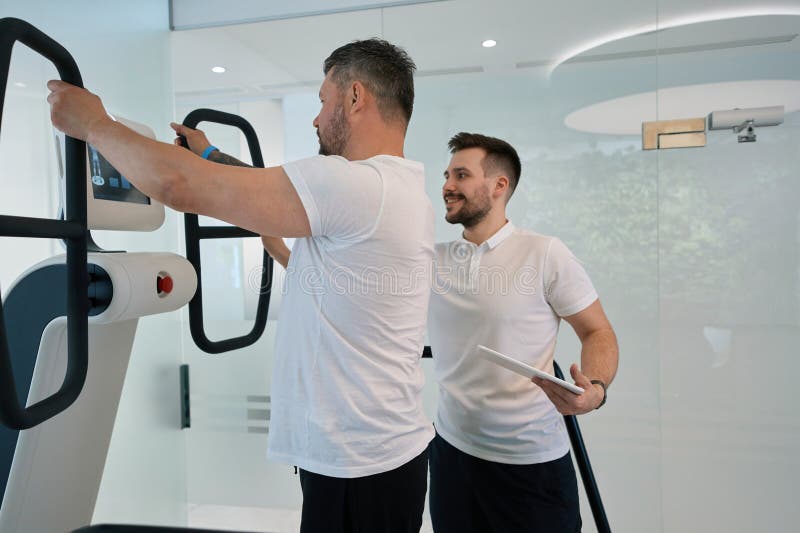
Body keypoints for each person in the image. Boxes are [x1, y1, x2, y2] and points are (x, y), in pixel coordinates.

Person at [47, 38, 435, 533]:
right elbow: (337, 274)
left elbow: (177, 186)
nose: (316, 119)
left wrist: (93, 123)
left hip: (357, 464)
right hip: (378, 457)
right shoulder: (397, 192)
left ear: (355, 97)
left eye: (322, 100)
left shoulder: (355, 184)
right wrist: (210, 154)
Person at [426, 132, 619, 532]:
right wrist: (278, 246)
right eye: (447, 175)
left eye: (461, 175)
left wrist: (595, 390)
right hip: (452, 459)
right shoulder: (434, 259)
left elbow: (597, 331)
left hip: (531, 468)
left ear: (500, 186)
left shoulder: (545, 253)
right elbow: (348, 285)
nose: (447, 186)